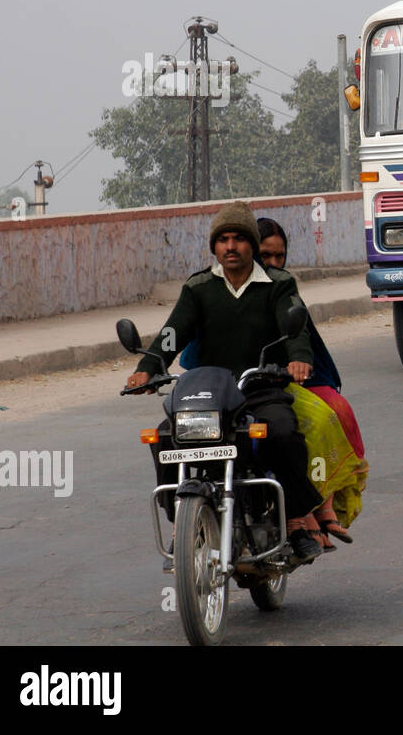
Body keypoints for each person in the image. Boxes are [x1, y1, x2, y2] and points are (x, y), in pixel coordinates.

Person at [125, 201, 326, 563]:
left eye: (238, 239)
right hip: (208, 392)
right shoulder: (200, 287)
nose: (230, 247)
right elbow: (173, 333)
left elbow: (293, 327)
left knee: (281, 432)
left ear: (251, 244)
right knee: (166, 436)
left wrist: (298, 359)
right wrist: (148, 367)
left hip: (259, 387)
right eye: (223, 240)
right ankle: (181, 523)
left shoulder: (278, 284)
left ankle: (296, 520)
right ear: (214, 247)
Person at [254, 218, 366, 547]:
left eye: (279, 257)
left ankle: (317, 509)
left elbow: (300, 339)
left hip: (282, 380)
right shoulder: (210, 289)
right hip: (234, 384)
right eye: (265, 256)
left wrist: (299, 364)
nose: (273, 264)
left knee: (326, 415)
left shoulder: (283, 287)